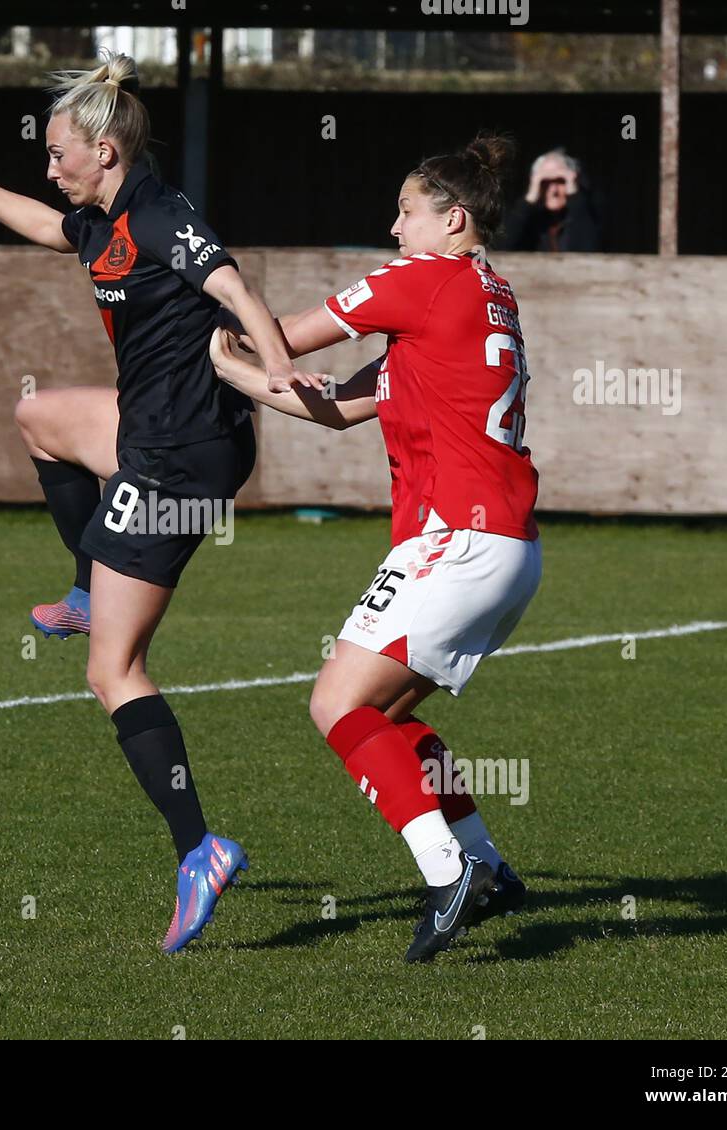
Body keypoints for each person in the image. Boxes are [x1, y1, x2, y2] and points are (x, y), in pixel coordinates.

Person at [0, 51, 325, 954]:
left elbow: (233, 286)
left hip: (183, 461)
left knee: (111, 671)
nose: (49, 170)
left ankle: (198, 849)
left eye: (59, 155)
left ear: (104, 149)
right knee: (38, 417)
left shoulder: (163, 214)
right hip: (149, 430)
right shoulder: (97, 222)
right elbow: (47, 228)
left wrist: (277, 363)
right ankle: (88, 582)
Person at [209, 135, 542, 963]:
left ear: (452, 219)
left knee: (336, 705)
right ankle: (490, 868)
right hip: (504, 546)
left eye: (406, 212)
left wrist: (197, 315)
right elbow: (331, 405)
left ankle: (447, 870)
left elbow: (280, 336)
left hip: (457, 541)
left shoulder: (420, 280)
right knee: (388, 714)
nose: (393, 229)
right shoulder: (483, 295)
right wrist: (233, 372)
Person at [500, 147, 601, 252]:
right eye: (545, 182)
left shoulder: (589, 212)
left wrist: (574, 195)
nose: (553, 190)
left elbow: (588, 247)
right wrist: (528, 200)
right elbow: (502, 247)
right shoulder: (526, 219)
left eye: (560, 181)